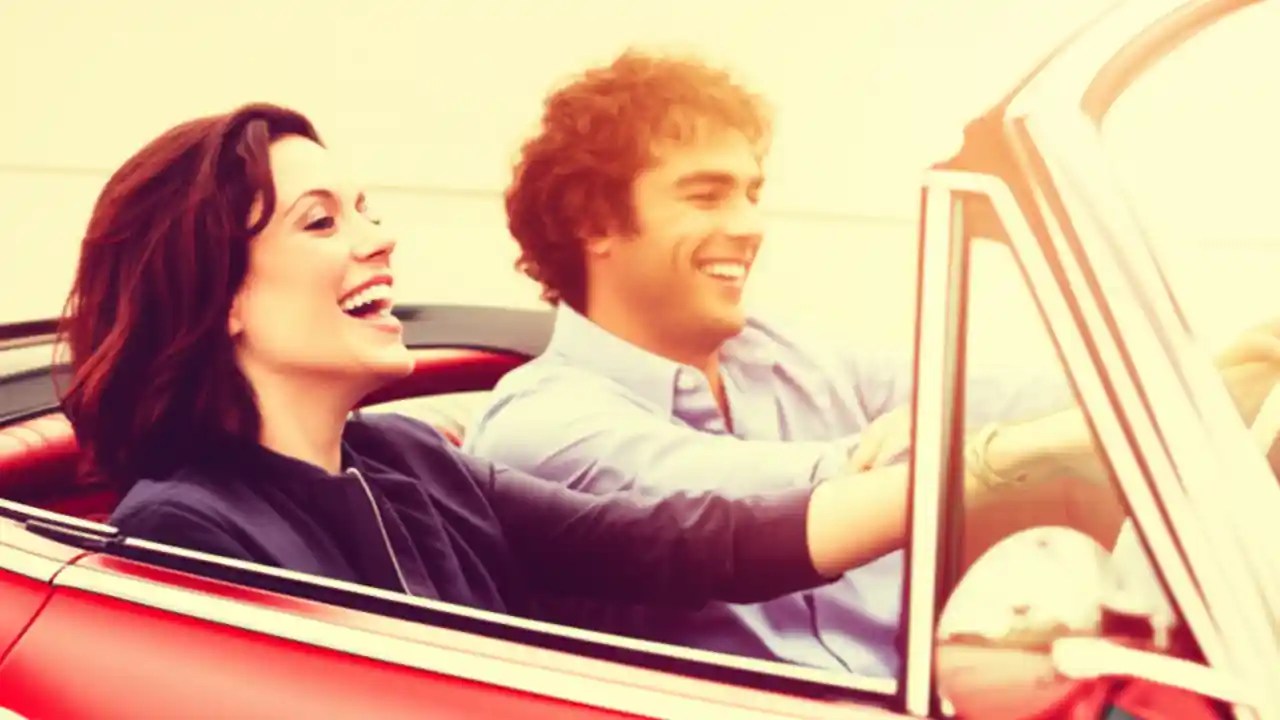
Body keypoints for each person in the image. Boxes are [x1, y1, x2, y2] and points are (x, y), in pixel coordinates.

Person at [462, 49, 1280, 675]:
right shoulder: (540, 427)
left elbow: (996, 394)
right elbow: (771, 504)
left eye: (753, 191)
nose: (750, 225)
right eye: (707, 195)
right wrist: (950, 455)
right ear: (590, 221)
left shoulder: (789, 356)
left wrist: (1216, 373)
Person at [61, 102, 1045, 622]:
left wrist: (976, 474)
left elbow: (689, 543)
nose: (376, 240)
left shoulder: (412, 462)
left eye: (367, 210)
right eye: (321, 220)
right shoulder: (186, 527)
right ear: (217, 292)